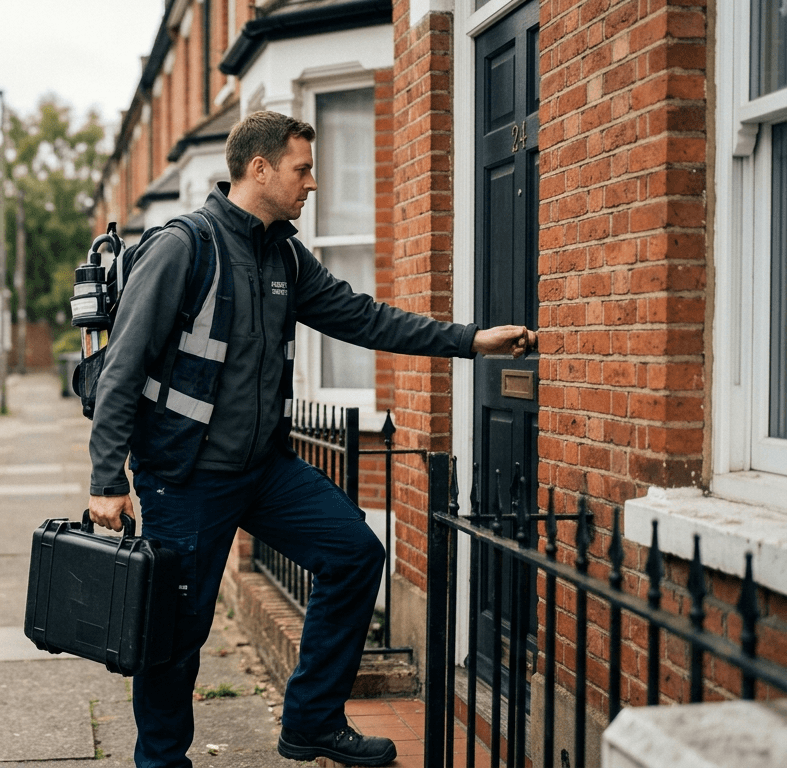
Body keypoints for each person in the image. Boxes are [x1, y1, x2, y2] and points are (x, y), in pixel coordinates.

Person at [87, 110, 536, 768]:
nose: (313, 182)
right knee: (176, 632)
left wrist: (470, 341)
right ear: (260, 168)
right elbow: (123, 367)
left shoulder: (284, 254)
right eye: (303, 168)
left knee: (354, 554)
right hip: (184, 477)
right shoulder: (184, 246)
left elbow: (363, 317)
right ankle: (161, 762)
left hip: (263, 471)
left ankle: (311, 721)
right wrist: (106, 480)